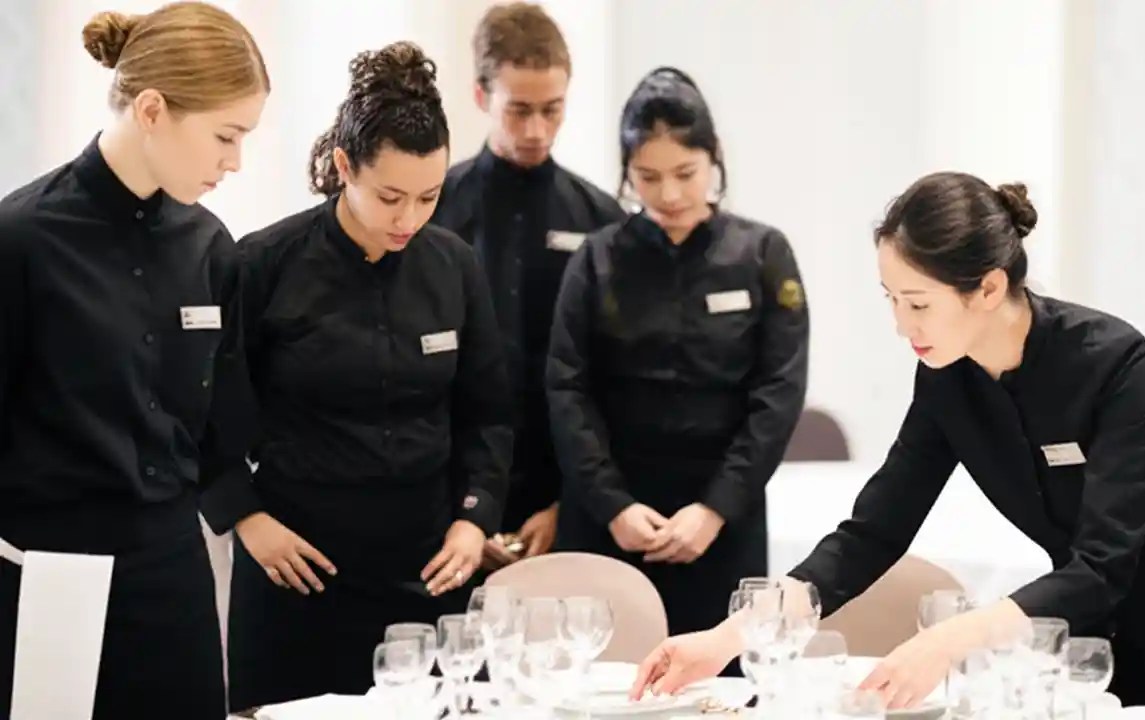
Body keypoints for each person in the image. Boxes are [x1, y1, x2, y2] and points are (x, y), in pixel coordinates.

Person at [629, 173, 1145, 719]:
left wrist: (950, 640)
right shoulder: (947, 379)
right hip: (1113, 652)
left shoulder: (1111, 362)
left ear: (989, 288)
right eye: (891, 300)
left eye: (918, 303)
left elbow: (1103, 563)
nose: (900, 325)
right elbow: (871, 534)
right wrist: (733, 635)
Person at [199, 41, 513, 711]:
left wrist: (474, 520)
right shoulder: (263, 264)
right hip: (297, 566)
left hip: (427, 565)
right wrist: (246, 519)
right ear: (344, 167)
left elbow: (488, 412)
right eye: (390, 196)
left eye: (429, 196)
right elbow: (205, 414)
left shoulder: (454, 266)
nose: (409, 219)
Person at [0, 3, 268, 718]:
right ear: (152, 109)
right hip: (47, 574)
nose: (234, 161)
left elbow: (223, 425)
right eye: (225, 136)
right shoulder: (22, 239)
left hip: (171, 573)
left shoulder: (211, 247)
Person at [546, 67, 810, 639]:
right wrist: (611, 504)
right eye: (647, 176)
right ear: (626, 174)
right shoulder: (596, 260)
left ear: (713, 159)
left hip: (719, 516)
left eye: (685, 174)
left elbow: (779, 392)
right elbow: (568, 389)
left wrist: (716, 508)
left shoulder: (762, 253)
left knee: (716, 686)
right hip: (609, 512)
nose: (668, 194)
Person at [431, 1, 625, 571]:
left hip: (567, 494)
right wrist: (464, 511)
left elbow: (615, 380)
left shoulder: (601, 218)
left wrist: (576, 502)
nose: (537, 130)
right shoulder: (430, 210)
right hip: (445, 500)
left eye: (552, 109)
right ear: (480, 97)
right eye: (518, 111)